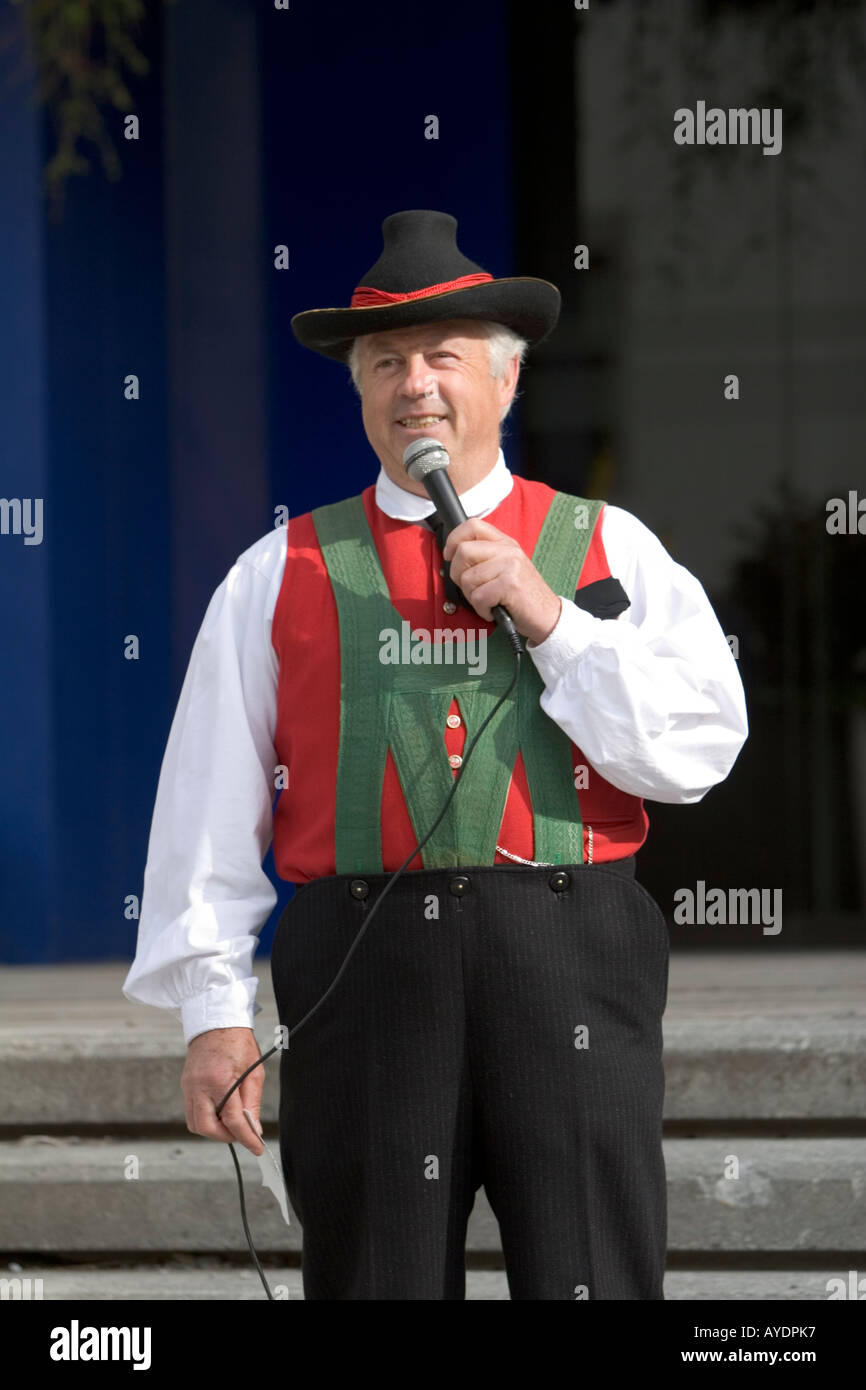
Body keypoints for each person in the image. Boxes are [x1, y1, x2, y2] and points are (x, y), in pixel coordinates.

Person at [123, 208, 748, 1300]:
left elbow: (697, 748)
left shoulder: (609, 547)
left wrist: (550, 617)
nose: (414, 385)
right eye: (384, 364)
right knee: (376, 1281)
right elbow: (208, 807)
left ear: (504, 384)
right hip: (364, 970)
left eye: (442, 359)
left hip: (569, 954)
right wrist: (213, 1015)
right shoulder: (278, 570)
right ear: (361, 392)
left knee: (592, 1270)